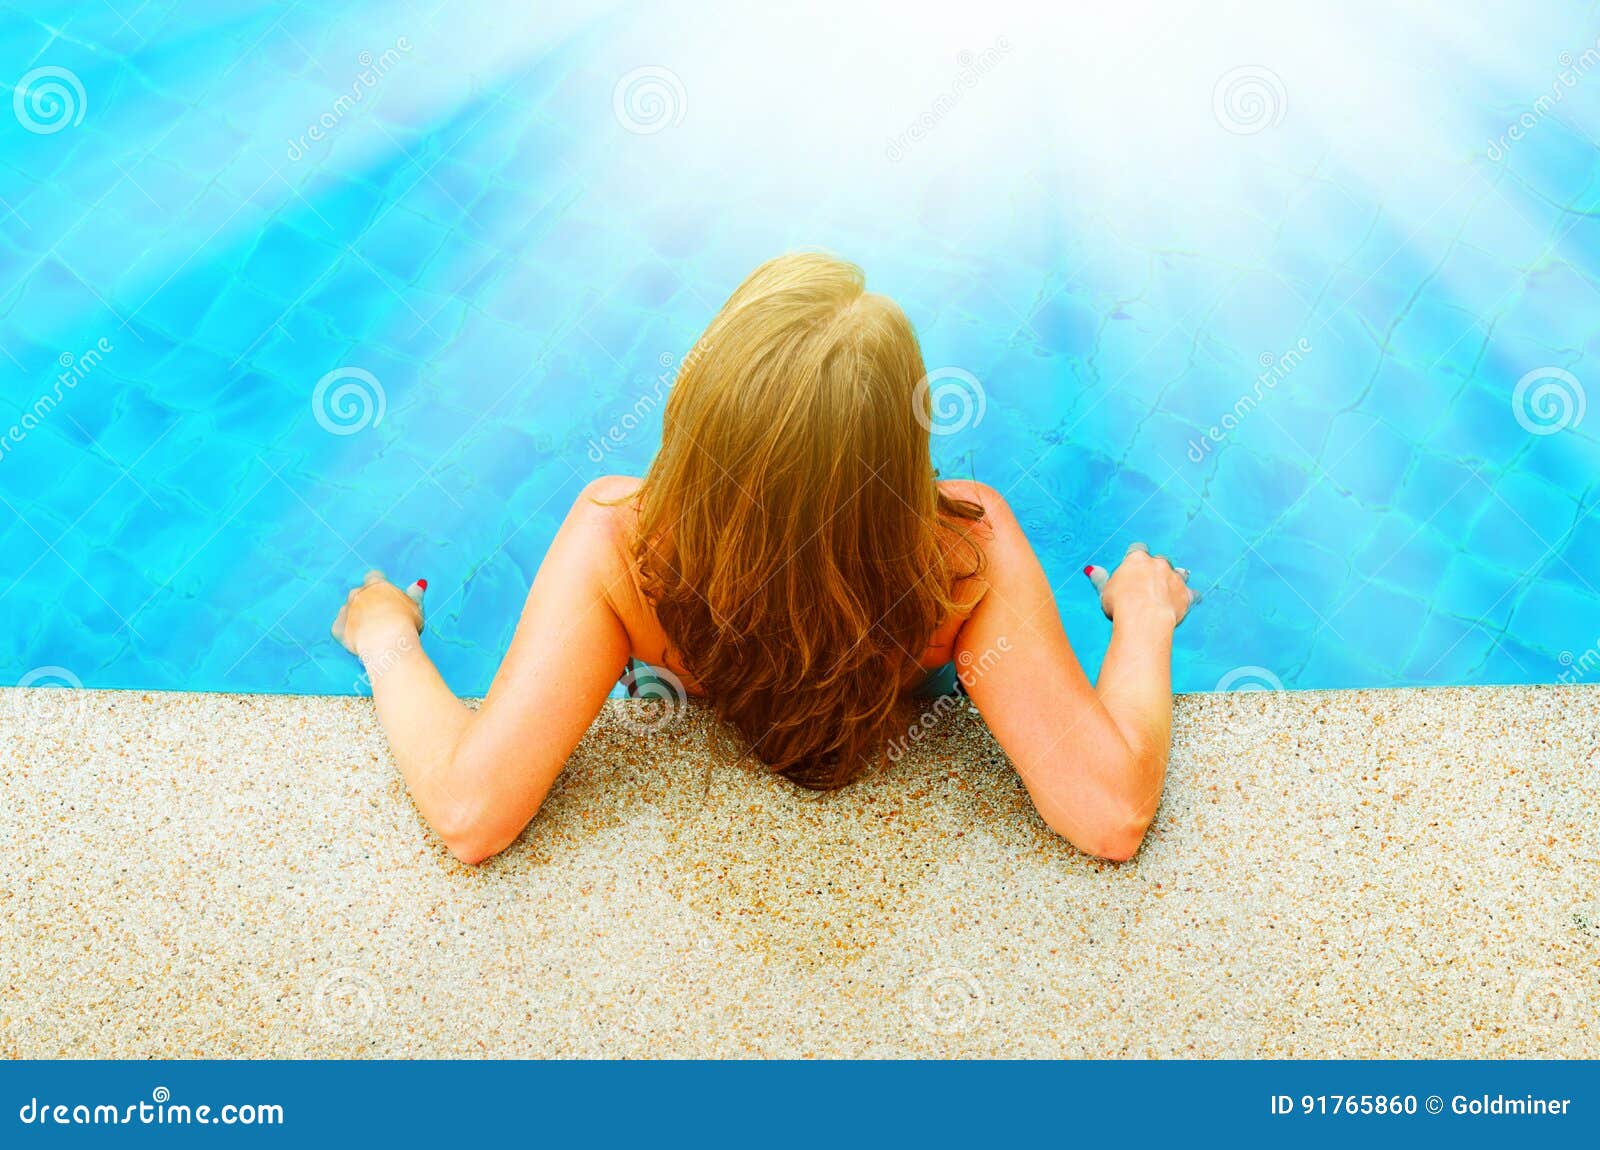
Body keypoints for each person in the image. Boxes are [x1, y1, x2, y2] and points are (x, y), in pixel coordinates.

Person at [331, 254, 1195, 865]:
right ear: (905, 441)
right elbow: (1110, 815)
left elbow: (470, 812)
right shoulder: (963, 557)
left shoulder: (622, 546)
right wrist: (1146, 621)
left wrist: (386, 639)